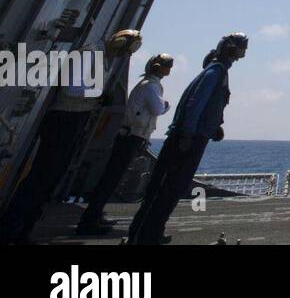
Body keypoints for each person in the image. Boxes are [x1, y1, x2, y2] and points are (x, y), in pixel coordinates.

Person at [0, 29, 143, 245]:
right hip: (63, 119)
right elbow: (72, 88)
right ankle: (12, 227)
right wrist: (99, 94)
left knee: (49, 179)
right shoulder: (91, 54)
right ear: (119, 42)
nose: (123, 56)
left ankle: (22, 229)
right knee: (41, 177)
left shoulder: (102, 57)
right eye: (124, 51)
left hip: (74, 120)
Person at [128, 33, 247, 245]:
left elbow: (205, 104)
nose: (243, 51)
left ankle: (147, 233)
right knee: (168, 189)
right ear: (233, 49)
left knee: (166, 188)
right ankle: (146, 236)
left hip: (193, 135)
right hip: (189, 138)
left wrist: (215, 127)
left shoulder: (216, 71)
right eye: (241, 47)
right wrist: (187, 134)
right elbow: (195, 104)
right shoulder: (215, 72)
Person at [75, 53, 173, 235]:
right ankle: (90, 220)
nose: (169, 69)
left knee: (111, 178)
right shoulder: (150, 87)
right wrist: (166, 105)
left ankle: (94, 215)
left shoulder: (148, 85)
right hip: (132, 136)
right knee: (111, 178)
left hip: (132, 136)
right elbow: (158, 108)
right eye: (167, 65)